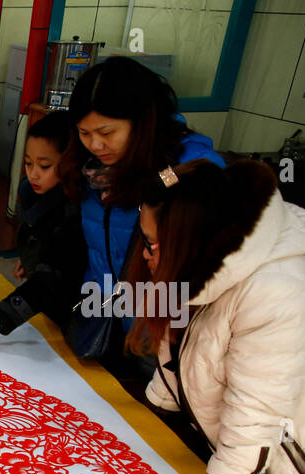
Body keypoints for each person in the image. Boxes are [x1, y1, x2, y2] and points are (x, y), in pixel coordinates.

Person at [129, 159, 305, 474]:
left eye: (152, 243)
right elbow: (186, 346)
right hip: (249, 454)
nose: (144, 254)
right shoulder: (210, 265)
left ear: (189, 239)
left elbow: (260, 396)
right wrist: (159, 406)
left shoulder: (283, 286)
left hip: (304, 472)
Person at [58, 55, 224, 357]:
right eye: (85, 133)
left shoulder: (187, 171)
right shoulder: (91, 169)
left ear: (143, 123)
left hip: (171, 333)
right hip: (109, 321)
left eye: (107, 133)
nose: (95, 145)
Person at [0, 111, 86, 356]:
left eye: (45, 166)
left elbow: (53, 278)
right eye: (28, 163)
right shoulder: (34, 193)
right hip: (49, 303)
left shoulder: (75, 210)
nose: (33, 173)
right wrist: (30, 258)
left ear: (71, 163)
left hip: (75, 305)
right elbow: (40, 240)